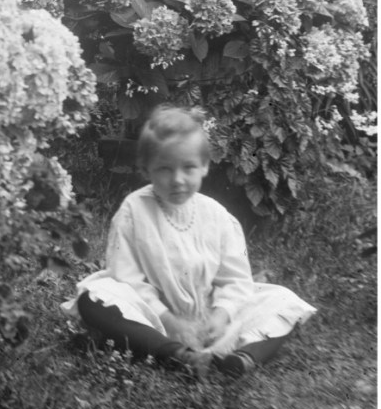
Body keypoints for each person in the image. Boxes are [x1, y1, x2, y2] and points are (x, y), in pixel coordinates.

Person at [62, 105, 316, 375]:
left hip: (207, 318)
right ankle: (176, 354)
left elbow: (235, 279)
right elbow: (127, 278)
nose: (178, 180)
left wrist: (222, 314)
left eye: (188, 168)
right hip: (152, 318)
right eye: (164, 169)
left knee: (281, 300)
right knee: (94, 298)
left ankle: (242, 358)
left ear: (205, 166)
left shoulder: (216, 216)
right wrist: (169, 320)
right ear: (146, 169)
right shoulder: (134, 211)